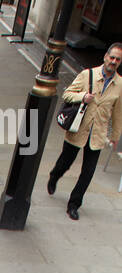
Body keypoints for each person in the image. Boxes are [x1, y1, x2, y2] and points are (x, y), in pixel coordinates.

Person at [48, 42, 122, 220]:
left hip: (97, 134)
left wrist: (115, 137)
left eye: (117, 59)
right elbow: (67, 94)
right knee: (65, 162)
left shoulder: (120, 84)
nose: (113, 61)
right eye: (111, 57)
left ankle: (74, 204)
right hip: (78, 129)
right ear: (105, 57)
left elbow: (118, 113)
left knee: (87, 172)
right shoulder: (87, 74)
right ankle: (54, 175)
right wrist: (83, 97)